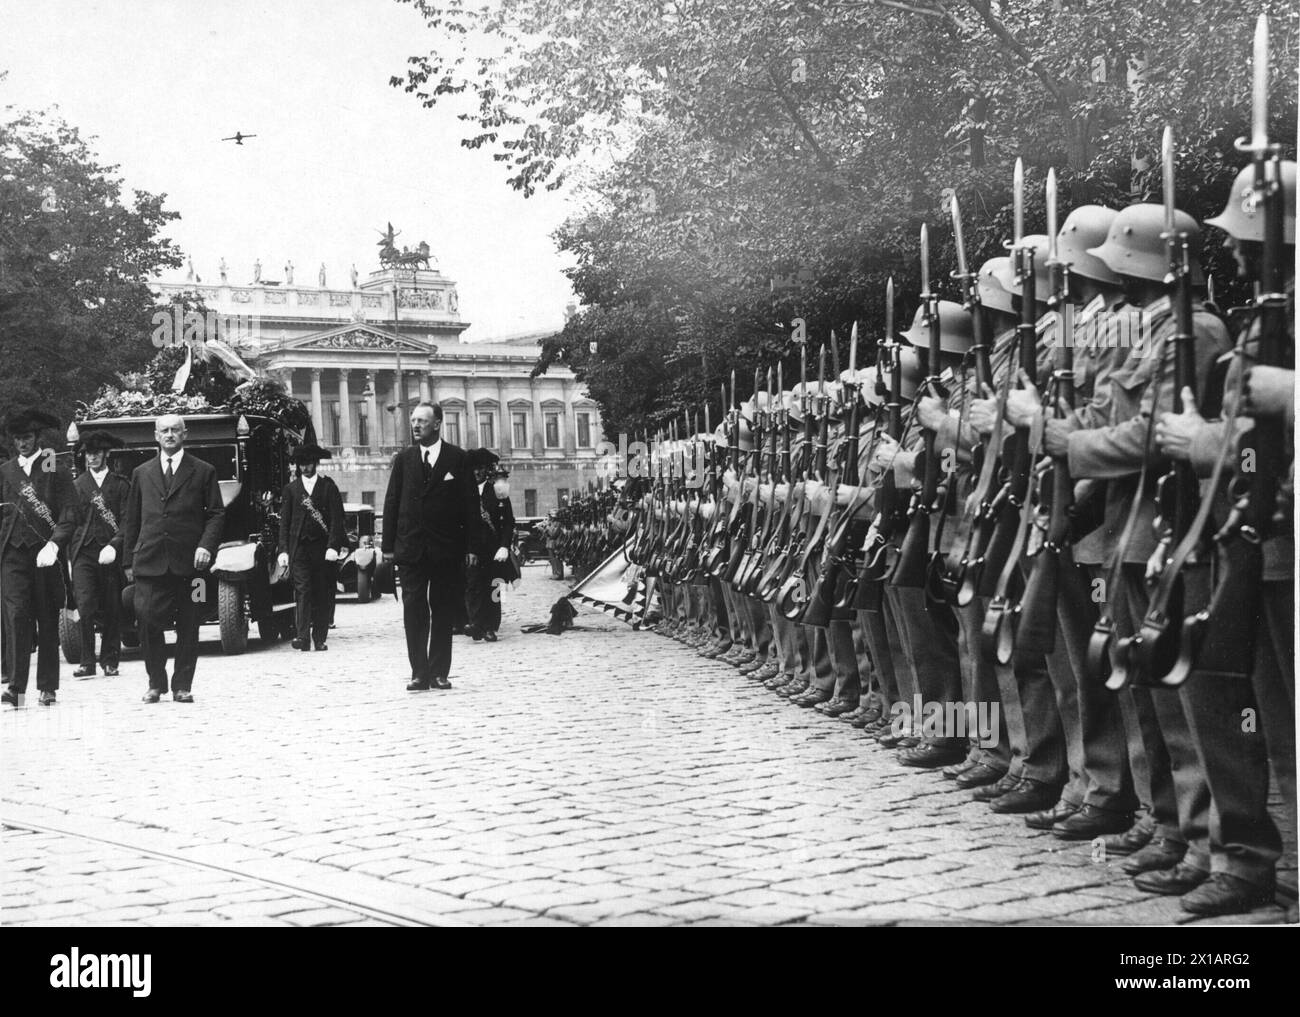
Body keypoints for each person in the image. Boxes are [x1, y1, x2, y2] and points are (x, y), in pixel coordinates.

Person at [116, 414, 225, 704]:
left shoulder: (203, 471)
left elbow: (216, 513)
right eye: (164, 430)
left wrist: (206, 546)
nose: (170, 435)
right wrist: (128, 560)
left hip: (192, 566)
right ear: (156, 435)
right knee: (147, 619)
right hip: (149, 562)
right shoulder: (141, 472)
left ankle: (182, 685)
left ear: (185, 434)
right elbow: (132, 519)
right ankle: (155, 683)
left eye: (176, 430)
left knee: (190, 623)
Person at [381, 401, 479, 691]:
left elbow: (470, 506)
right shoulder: (404, 459)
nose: (415, 425)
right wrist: (388, 546)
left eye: (422, 421)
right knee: (413, 610)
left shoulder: (457, 459)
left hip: (445, 549)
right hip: (411, 549)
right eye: (413, 421)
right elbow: (391, 503)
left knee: (443, 609)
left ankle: (439, 672)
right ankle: (418, 673)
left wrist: (472, 547)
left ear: (437, 423)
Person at [1, 409, 75, 708]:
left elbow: (70, 514)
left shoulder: (54, 467)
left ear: (37, 437)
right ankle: (16, 688)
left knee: (46, 618)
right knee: (16, 616)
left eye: (28, 437)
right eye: (18, 438)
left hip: (45, 555)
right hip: (13, 555)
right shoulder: (5, 472)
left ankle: (47, 687)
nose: (23, 444)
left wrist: (55, 544)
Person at [69, 429, 129, 679]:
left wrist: (115, 545)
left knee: (112, 606)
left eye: (95, 453)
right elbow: (68, 521)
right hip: (83, 552)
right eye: (87, 454)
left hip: (111, 553)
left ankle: (110, 660)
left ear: (106, 454)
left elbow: (128, 521)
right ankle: (87, 661)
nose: (90, 458)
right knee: (84, 604)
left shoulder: (120, 484)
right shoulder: (76, 485)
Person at [277, 444, 345, 652]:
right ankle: (302, 636)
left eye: (308, 463)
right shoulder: (291, 490)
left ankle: (320, 638)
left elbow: (337, 520)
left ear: (315, 463)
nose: (304, 468)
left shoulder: (328, 487)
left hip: (322, 550)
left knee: (322, 593)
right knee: (303, 591)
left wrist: (333, 546)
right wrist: (283, 550)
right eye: (301, 464)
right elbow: (285, 522)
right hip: (299, 549)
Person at [467, 459, 518, 641]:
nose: (476, 472)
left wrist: (504, 545)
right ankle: (475, 624)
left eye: (480, 468)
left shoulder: (498, 491)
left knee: (494, 588)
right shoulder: (465, 492)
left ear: (486, 471)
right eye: (473, 468)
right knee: (473, 586)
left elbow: (508, 522)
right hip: (472, 549)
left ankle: (490, 626)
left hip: (493, 549)